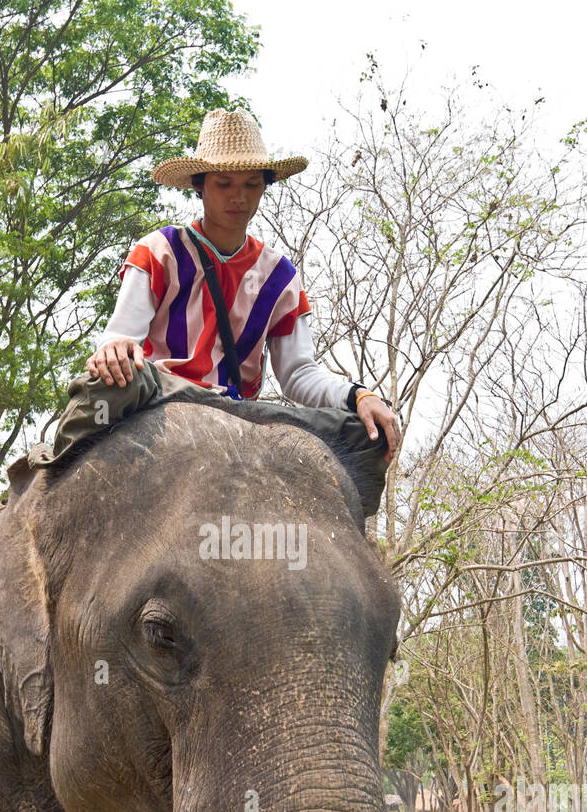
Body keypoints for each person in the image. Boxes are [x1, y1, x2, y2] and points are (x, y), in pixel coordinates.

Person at [26, 110, 395, 514]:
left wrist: (359, 395)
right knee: (108, 385)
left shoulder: (280, 276)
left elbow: (298, 373)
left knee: (366, 435)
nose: (239, 196)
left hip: (238, 409)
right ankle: (51, 488)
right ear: (200, 187)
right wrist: (113, 349)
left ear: (265, 188)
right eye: (224, 183)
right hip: (160, 391)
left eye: (252, 184)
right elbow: (121, 337)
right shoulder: (159, 250)